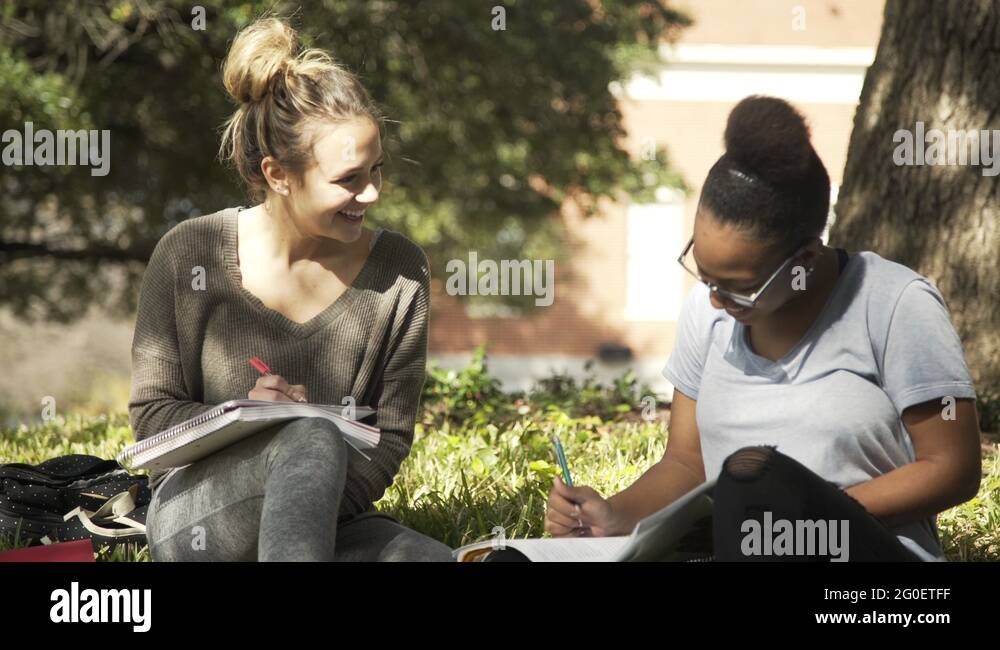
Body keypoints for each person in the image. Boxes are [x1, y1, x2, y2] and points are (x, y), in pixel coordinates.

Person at [544, 95, 982, 562]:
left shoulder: (895, 304)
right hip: (733, 549)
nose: (716, 299)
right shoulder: (706, 313)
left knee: (753, 475)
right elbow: (687, 463)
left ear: (804, 260)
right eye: (705, 275)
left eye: (738, 288)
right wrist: (612, 513)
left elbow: (952, 468)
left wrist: (803, 520)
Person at [130, 17, 453, 562]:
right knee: (310, 437)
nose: (371, 192)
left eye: (377, 169)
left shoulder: (400, 271)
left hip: (326, 521)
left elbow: (390, 440)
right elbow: (151, 421)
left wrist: (310, 503)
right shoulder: (189, 253)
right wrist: (239, 414)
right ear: (279, 174)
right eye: (349, 178)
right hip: (198, 516)